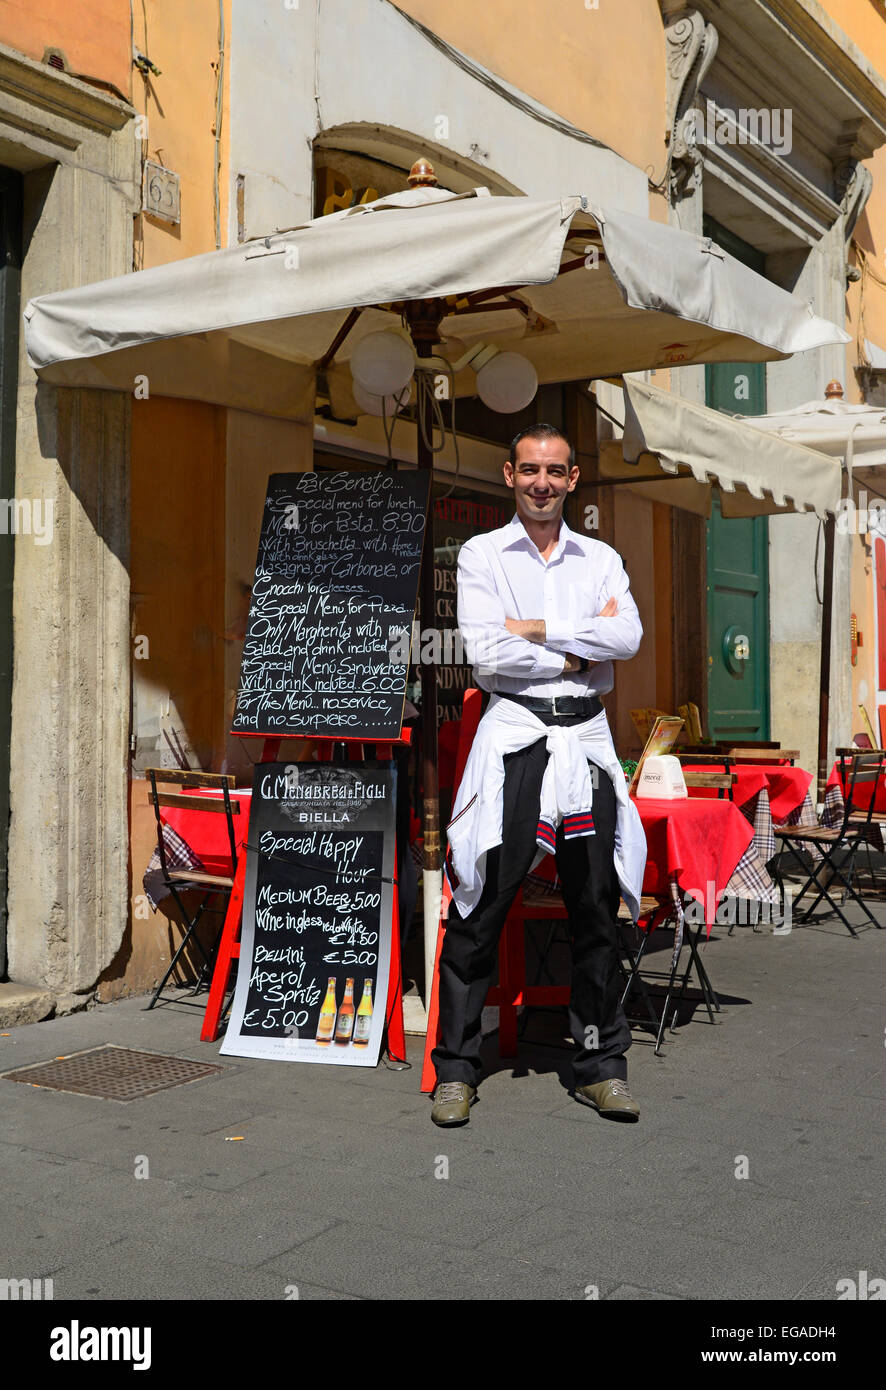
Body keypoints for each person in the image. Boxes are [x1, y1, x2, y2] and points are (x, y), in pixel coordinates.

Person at [430, 423, 647, 1127]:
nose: (542, 483)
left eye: (555, 471)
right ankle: (456, 1071)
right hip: (516, 732)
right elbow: (488, 655)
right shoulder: (481, 553)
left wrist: (535, 630)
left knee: (595, 903)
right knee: (480, 903)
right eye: (529, 470)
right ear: (508, 474)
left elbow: (628, 638)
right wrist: (577, 646)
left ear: (574, 479)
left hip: (584, 735)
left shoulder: (602, 557)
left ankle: (599, 1065)